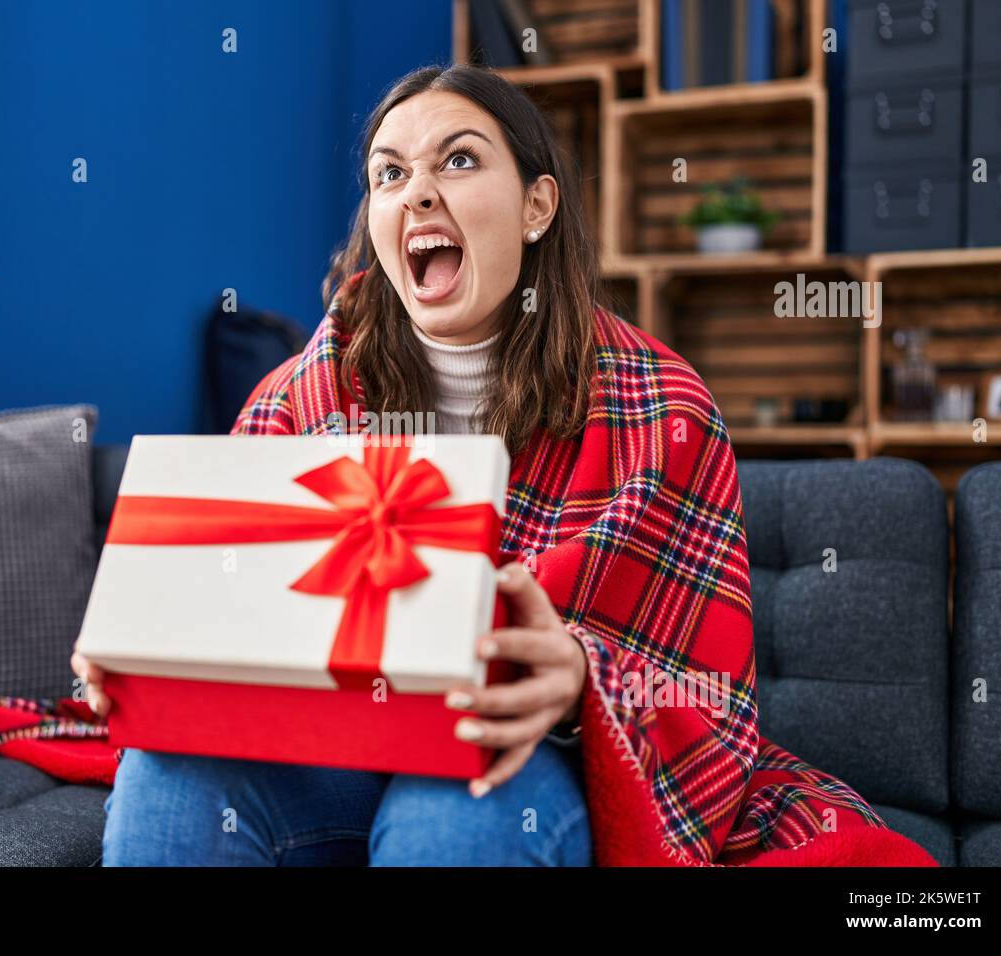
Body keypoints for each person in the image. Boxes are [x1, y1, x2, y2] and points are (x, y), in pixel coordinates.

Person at [72, 63, 936, 868]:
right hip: (334, 751)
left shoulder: (663, 407)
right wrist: (153, 658)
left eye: (457, 160)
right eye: (389, 173)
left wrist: (580, 684)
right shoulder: (299, 395)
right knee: (165, 775)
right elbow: (228, 615)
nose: (417, 193)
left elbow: (697, 684)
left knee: (454, 809)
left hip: (527, 759)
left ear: (536, 206)